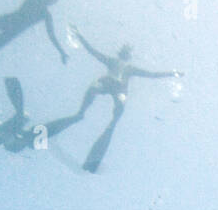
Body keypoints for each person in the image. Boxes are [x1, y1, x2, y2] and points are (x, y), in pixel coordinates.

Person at [68, 29, 180, 172]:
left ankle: (95, 117)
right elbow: (92, 50)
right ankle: (85, 113)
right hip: (112, 84)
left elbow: (152, 75)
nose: (124, 56)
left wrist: (171, 73)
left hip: (117, 87)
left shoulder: (123, 65)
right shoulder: (115, 62)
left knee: (110, 100)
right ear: (123, 54)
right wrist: (79, 35)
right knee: (95, 91)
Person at [0, 77, 82, 152]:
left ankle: (11, 82)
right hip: (26, 135)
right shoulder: (12, 146)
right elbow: (24, 141)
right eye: (0, 139)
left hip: (20, 127)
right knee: (35, 136)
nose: (2, 137)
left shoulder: (4, 128)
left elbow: (20, 119)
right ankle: (73, 119)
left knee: (21, 117)